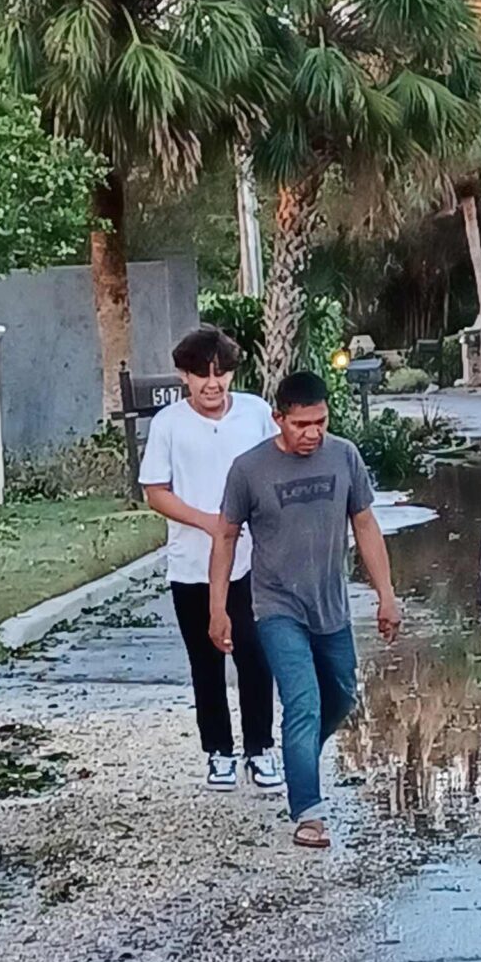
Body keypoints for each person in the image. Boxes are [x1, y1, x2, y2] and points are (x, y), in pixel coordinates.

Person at [209, 369, 402, 851]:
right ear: (278, 419)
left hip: (331, 607)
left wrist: (387, 594)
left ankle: (300, 756)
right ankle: (308, 813)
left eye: (319, 422)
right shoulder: (249, 469)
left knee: (339, 700)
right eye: (301, 425)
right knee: (303, 701)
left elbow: (365, 524)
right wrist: (218, 608)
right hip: (276, 606)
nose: (312, 433)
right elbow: (226, 536)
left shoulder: (344, 456)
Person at [139, 324, 279, 791]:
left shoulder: (257, 414)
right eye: (202, 376)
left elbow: (276, 470)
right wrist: (208, 521)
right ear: (184, 377)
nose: (212, 385)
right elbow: (155, 491)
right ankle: (218, 751)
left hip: (252, 563)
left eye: (221, 375)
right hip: (191, 564)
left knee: (256, 658)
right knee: (206, 661)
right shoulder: (169, 425)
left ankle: (261, 748)